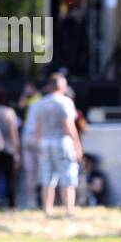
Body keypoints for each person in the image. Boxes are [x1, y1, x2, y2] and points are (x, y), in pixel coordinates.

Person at [32, 74, 82, 218]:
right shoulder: (65, 102)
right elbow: (68, 125)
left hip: (45, 142)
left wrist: (39, 144)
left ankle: (47, 210)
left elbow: (37, 128)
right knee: (67, 176)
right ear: (61, 86)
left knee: (47, 178)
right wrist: (77, 144)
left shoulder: (40, 103)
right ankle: (69, 211)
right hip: (62, 142)